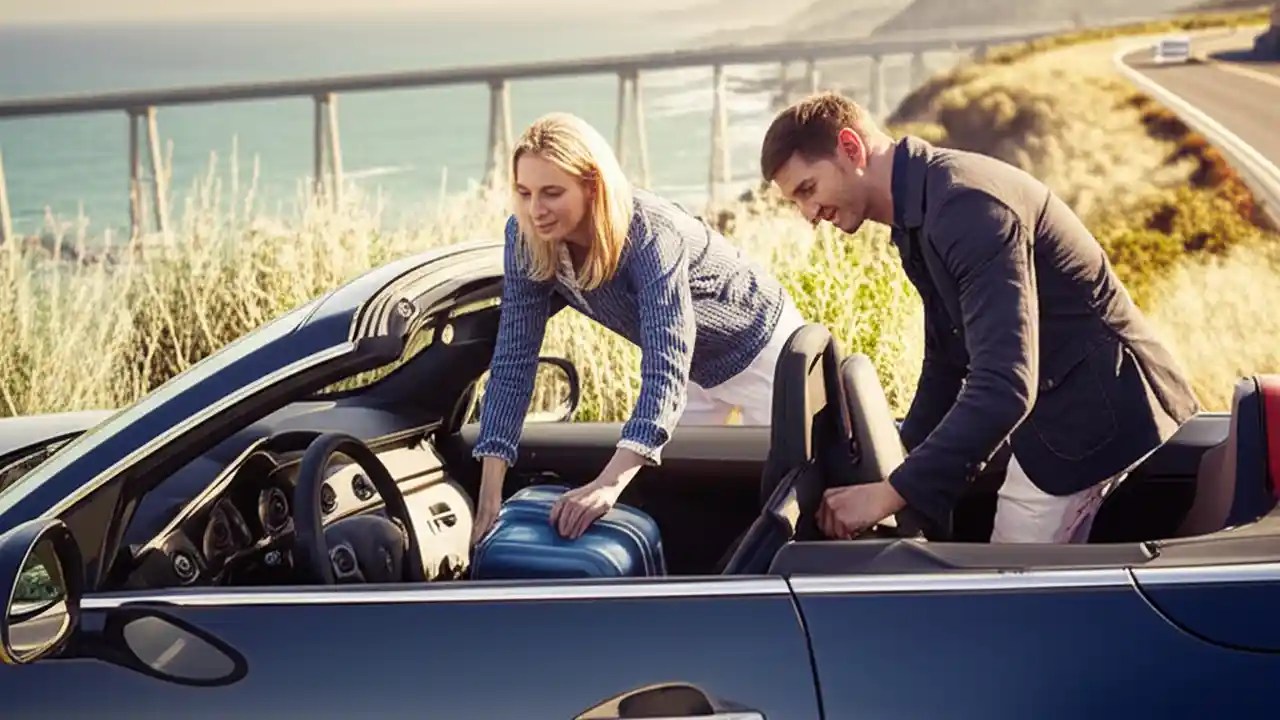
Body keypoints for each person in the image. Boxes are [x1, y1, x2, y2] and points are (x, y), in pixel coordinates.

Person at [758, 91, 1201, 544]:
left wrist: (892, 493)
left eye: (808, 190)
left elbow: (1005, 384)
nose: (809, 215)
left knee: (1005, 583)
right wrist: (897, 462)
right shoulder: (921, 209)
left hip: (1093, 418)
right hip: (1062, 407)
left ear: (851, 149)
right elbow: (948, 361)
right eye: (796, 202)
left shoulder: (965, 207)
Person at [469, 111, 805, 545]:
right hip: (693, 369)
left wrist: (607, 483)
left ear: (592, 186)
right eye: (524, 192)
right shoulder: (526, 238)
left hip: (761, 348)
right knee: (679, 495)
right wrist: (489, 498)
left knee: (783, 498)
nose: (536, 210)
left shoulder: (647, 230)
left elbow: (666, 357)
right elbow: (514, 360)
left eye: (552, 192)